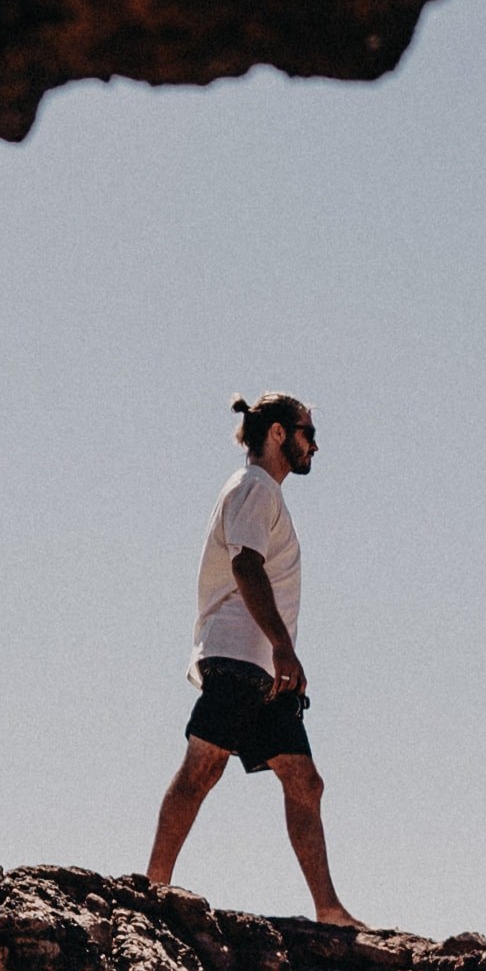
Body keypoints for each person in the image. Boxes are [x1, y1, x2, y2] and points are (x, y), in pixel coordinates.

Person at [147, 390, 356, 923]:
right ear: (280, 434)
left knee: (304, 780)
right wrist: (284, 647)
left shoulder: (264, 494)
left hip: (264, 666)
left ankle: (329, 911)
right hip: (239, 654)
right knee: (204, 765)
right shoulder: (255, 488)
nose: (317, 445)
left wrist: (280, 655)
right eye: (309, 432)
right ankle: (151, 890)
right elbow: (246, 566)